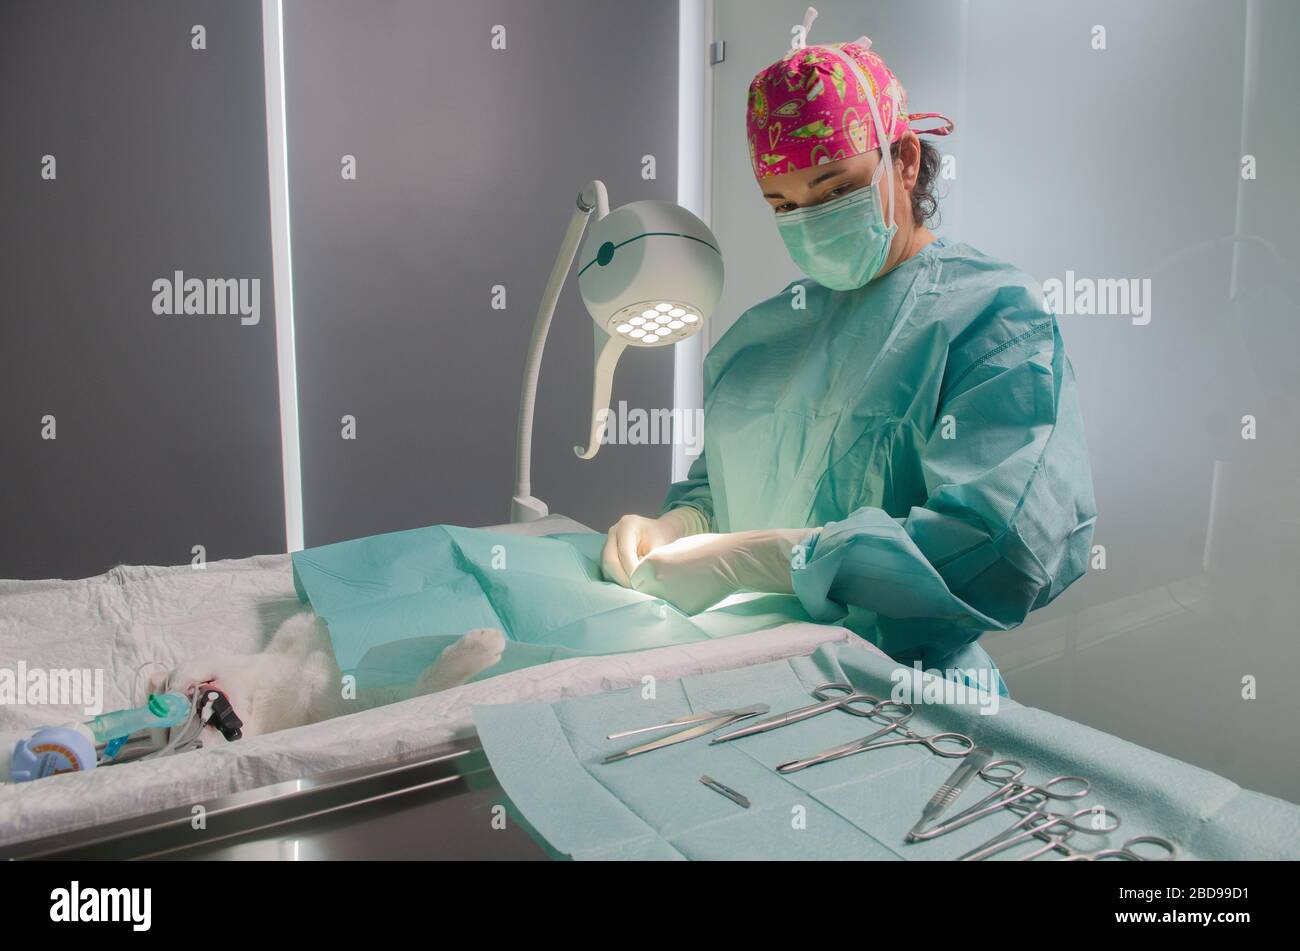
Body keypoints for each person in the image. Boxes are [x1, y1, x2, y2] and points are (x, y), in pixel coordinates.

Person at [600, 32, 1096, 686]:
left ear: (907, 160)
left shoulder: (993, 318)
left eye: (834, 190)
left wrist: (782, 559)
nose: (807, 220)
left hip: (909, 699)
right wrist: (679, 525)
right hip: (742, 677)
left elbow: (1000, 551)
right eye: (782, 204)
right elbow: (719, 490)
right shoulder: (769, 334)